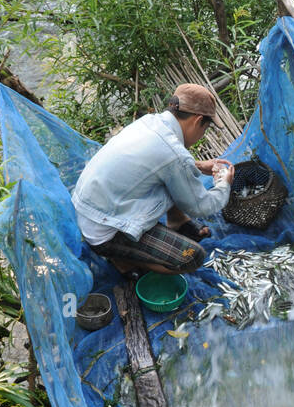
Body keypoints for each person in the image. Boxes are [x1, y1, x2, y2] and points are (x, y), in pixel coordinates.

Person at [72, 83, 235, 275]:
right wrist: (224, 184)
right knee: (193, 256)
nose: (201, 135)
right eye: (205, 128)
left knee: (174, 179)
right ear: (197, 120)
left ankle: (176, 222)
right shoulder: (174, 154)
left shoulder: (149, 122)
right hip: (105, 232)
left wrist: (197, 165)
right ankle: (125, 261)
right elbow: (200, 207)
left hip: (87, 210)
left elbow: (159, 163)